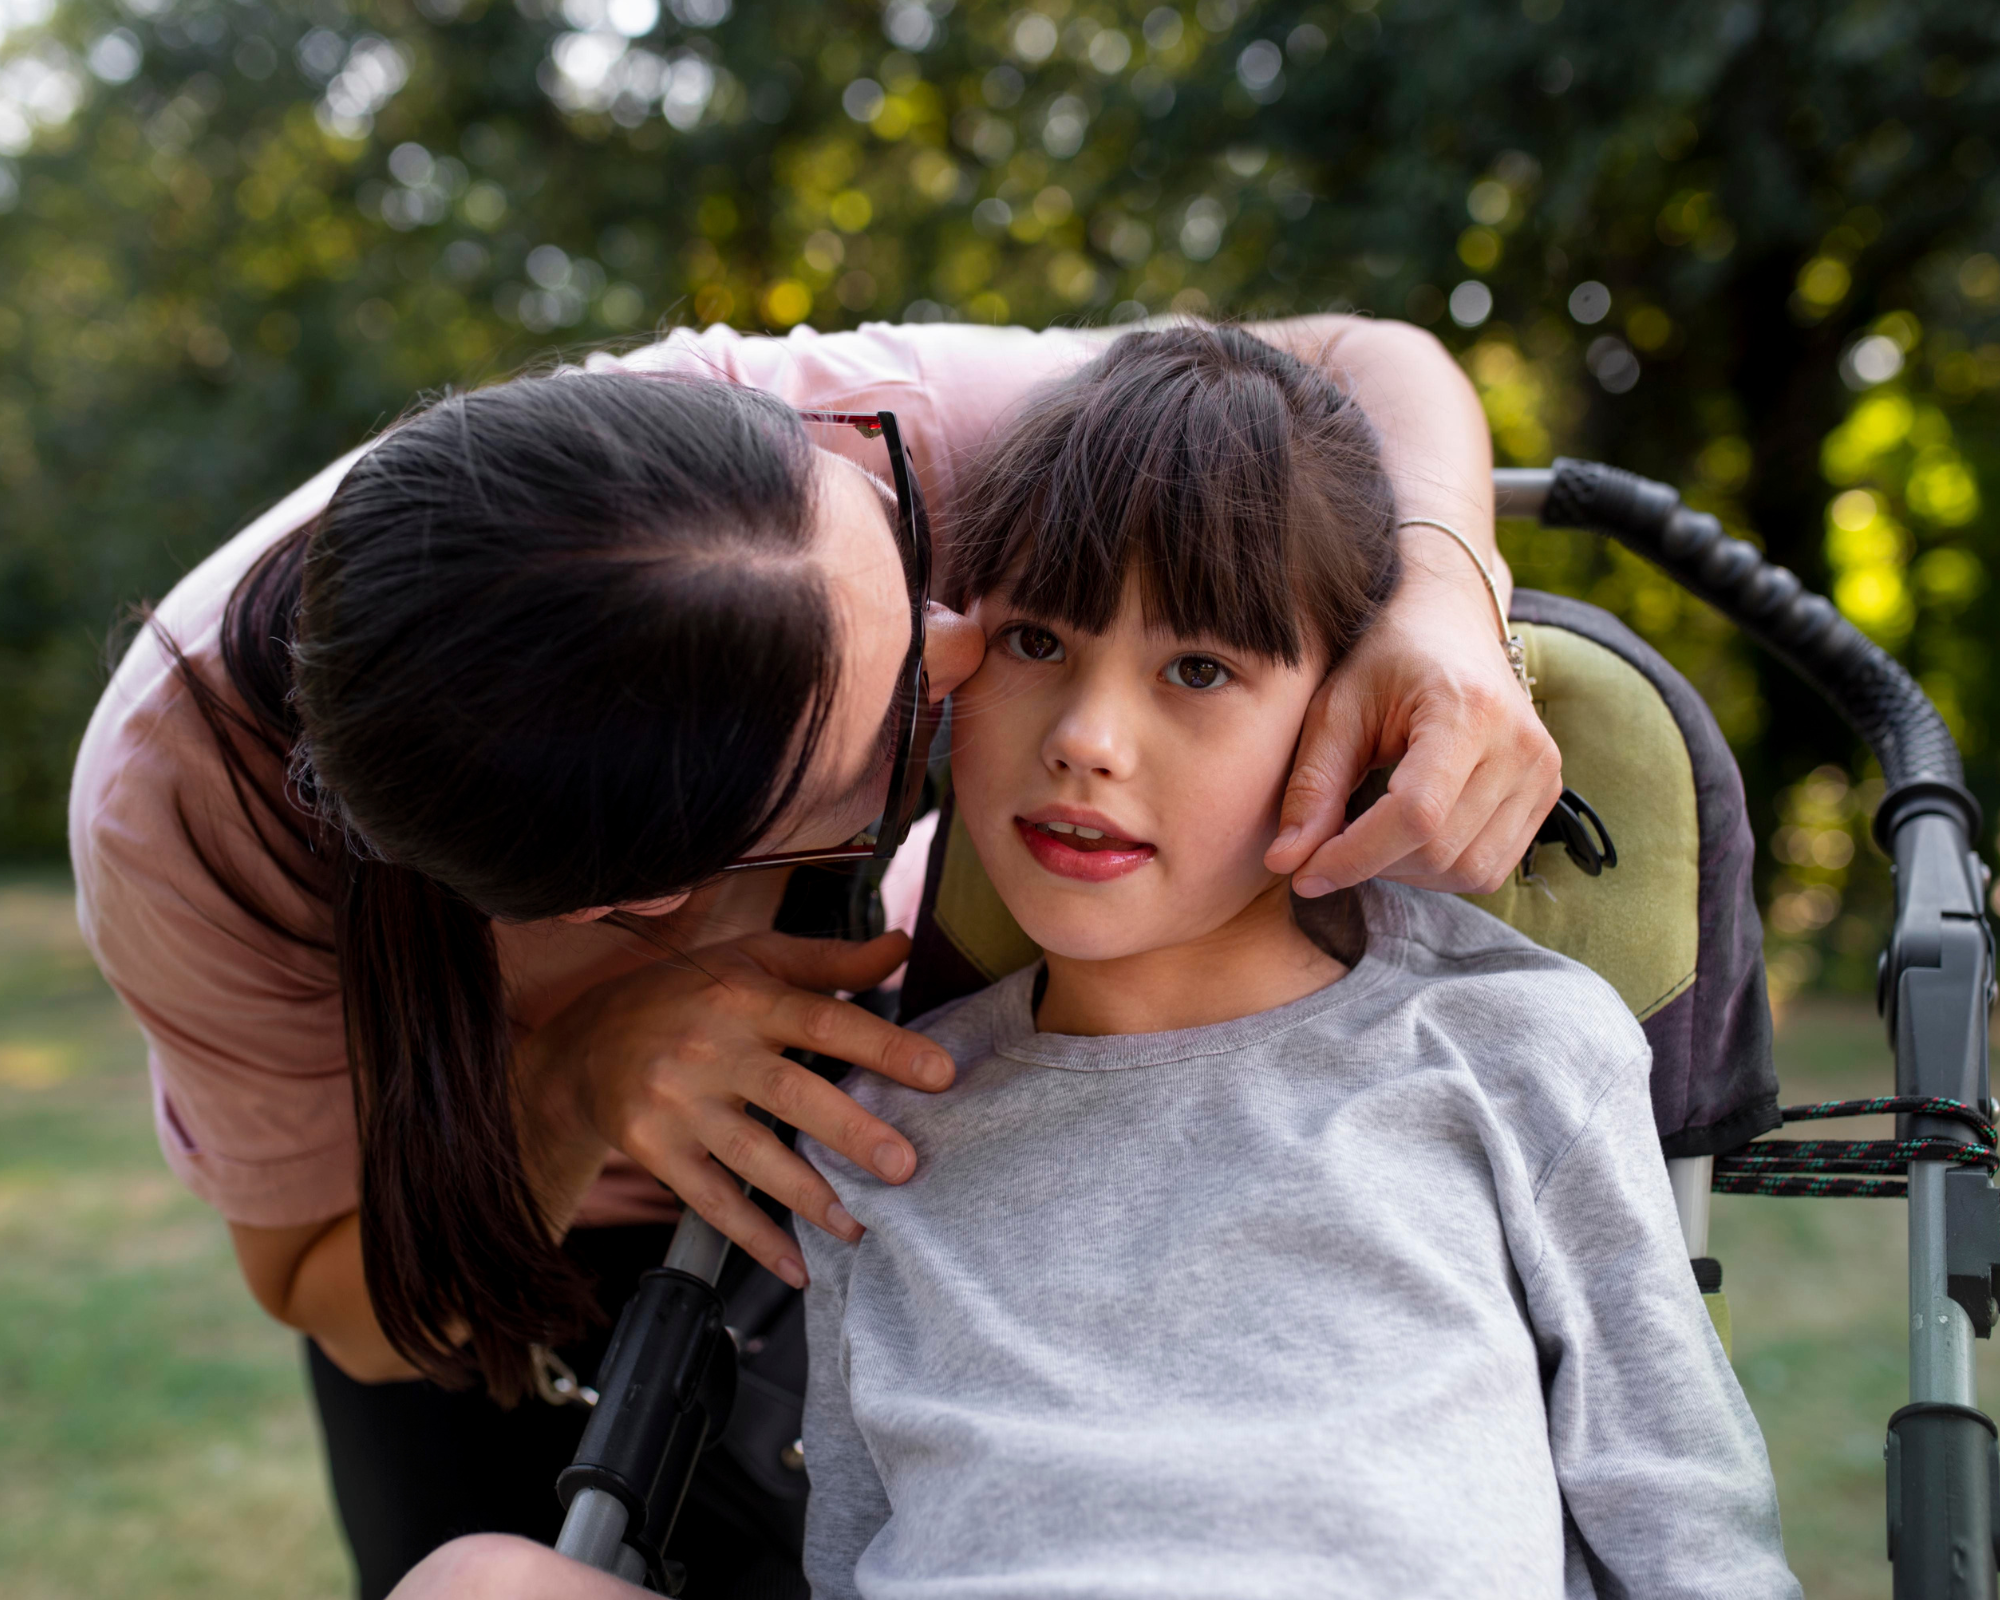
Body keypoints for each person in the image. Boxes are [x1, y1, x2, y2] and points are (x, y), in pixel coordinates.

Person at [70, 316, 1559, 1599]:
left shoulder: (803, 453)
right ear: (665, 896)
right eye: (911, 703)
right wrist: (581, 1085)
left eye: (910, 552)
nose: (977, 649)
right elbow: (327, 1286)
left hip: (849, 1149)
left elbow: (1363, 361)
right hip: (491, 1261)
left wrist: (1445, 589)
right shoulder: (180, 821)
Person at [785, 327, 1799, 1597]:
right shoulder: (873, 1136)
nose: (1089, 739)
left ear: (1349, 716)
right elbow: (845, 1554)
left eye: (1197, 668)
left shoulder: (1507, 1050)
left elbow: (1686, 1529)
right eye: (1036, 642)